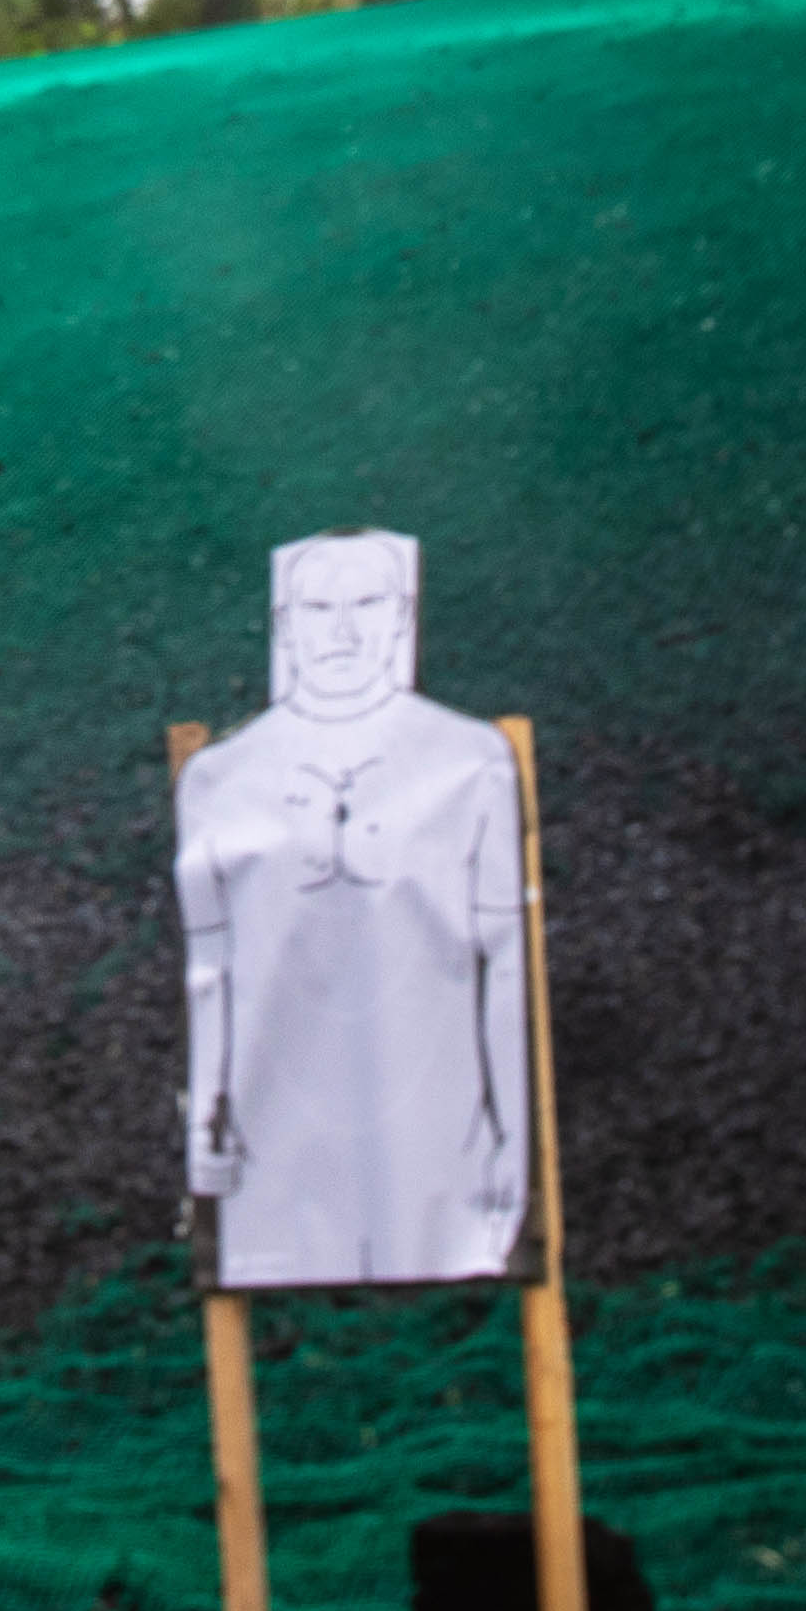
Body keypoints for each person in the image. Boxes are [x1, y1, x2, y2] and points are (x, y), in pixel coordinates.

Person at [173, 529, 534, 1288]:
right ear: (285, 623)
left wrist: (514, 1137)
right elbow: (210, 973)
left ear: (400, 617)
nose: (341, 631)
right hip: (274, 1129)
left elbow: (504, 964)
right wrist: (205, 1117)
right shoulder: (218, 777)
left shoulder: (471, 758)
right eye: (317, 607)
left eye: (366, 603)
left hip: (442, 1119)